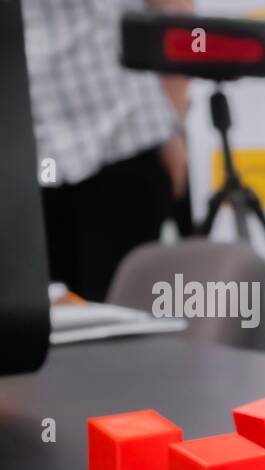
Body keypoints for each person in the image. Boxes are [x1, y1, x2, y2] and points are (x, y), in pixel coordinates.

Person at [23, 0, 194, 302]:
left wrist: (174, 124)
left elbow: (174, 11)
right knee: (47, 313)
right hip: (37, 156)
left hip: (124, 138)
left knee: (121, 309)